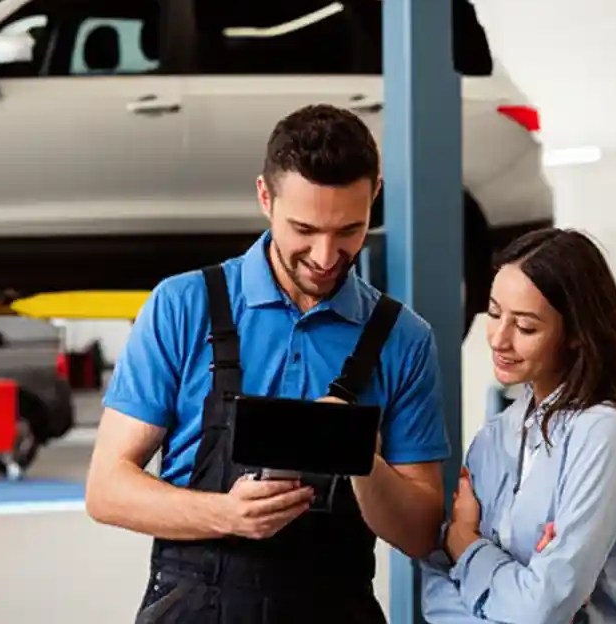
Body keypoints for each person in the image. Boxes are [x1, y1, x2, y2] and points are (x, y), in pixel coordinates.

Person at [85, 104, 450, 623]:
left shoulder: (402, 339)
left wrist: (364, 460)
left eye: (349, 230)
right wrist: (226, 514)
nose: (325, 256)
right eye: (304, 229)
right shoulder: (183, 306)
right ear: (264, 197)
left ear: (375, 196)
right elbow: (106, 489)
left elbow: (420, 533)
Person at [420, 228, 616, 624]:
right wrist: (511, 581)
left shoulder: (604, 435)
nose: (499, 339)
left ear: (576, 334)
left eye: (525, 327)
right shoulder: (493, 437)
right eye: (495, 314)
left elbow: (543, 607)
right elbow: (437, 586)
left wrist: (466, 544)